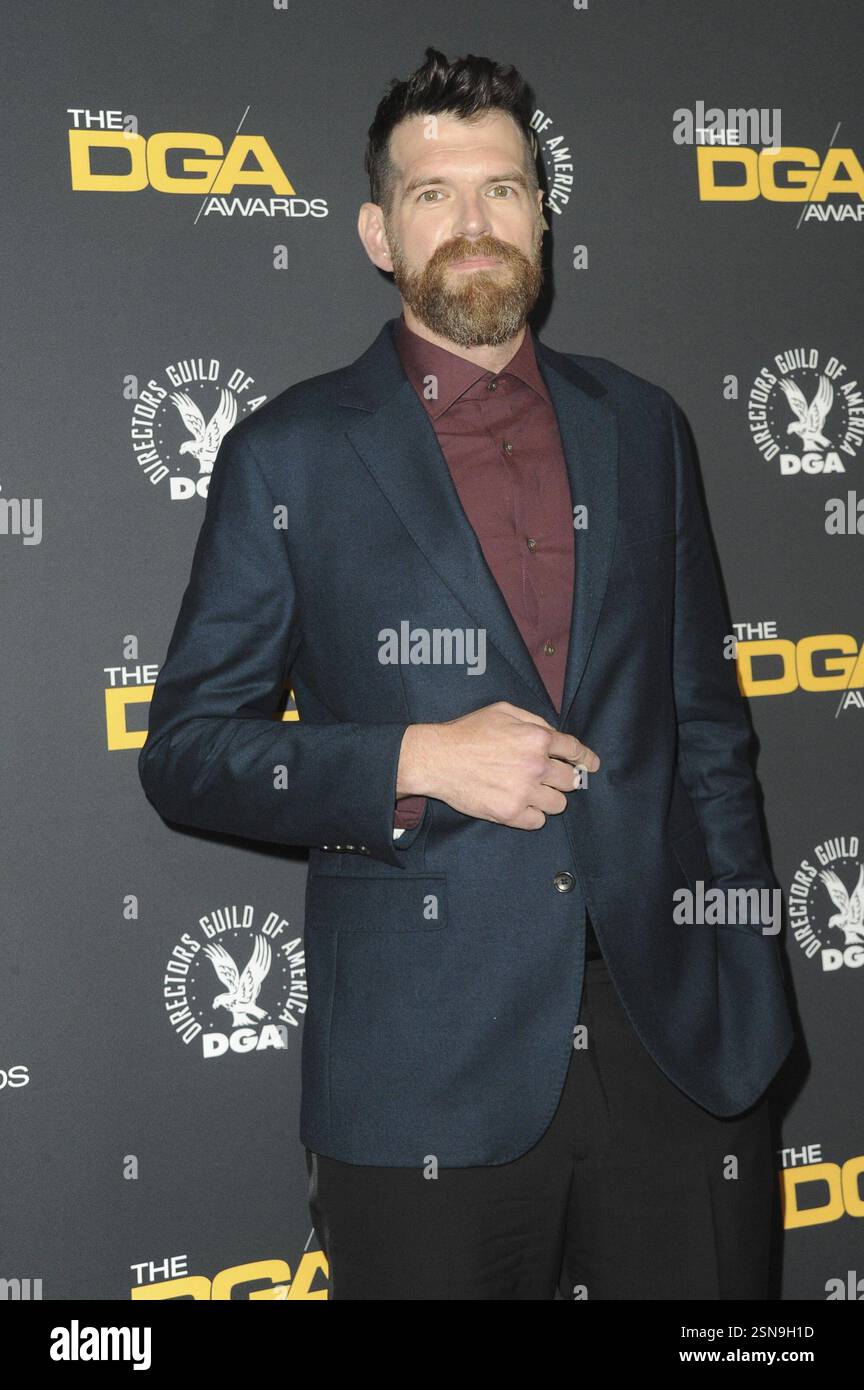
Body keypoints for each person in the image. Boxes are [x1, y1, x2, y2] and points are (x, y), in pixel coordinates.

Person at [139, 47, 796, 1300]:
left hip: (683, 1055)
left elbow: (711, 731)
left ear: (544, 216)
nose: (476, 222)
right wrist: (410, 759)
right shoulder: (290, 455)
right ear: (379, 233)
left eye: (504, 188)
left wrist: (751, 987)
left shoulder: (645, 426)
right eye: (436, 195)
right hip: (422, 1077)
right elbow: (187, 747)